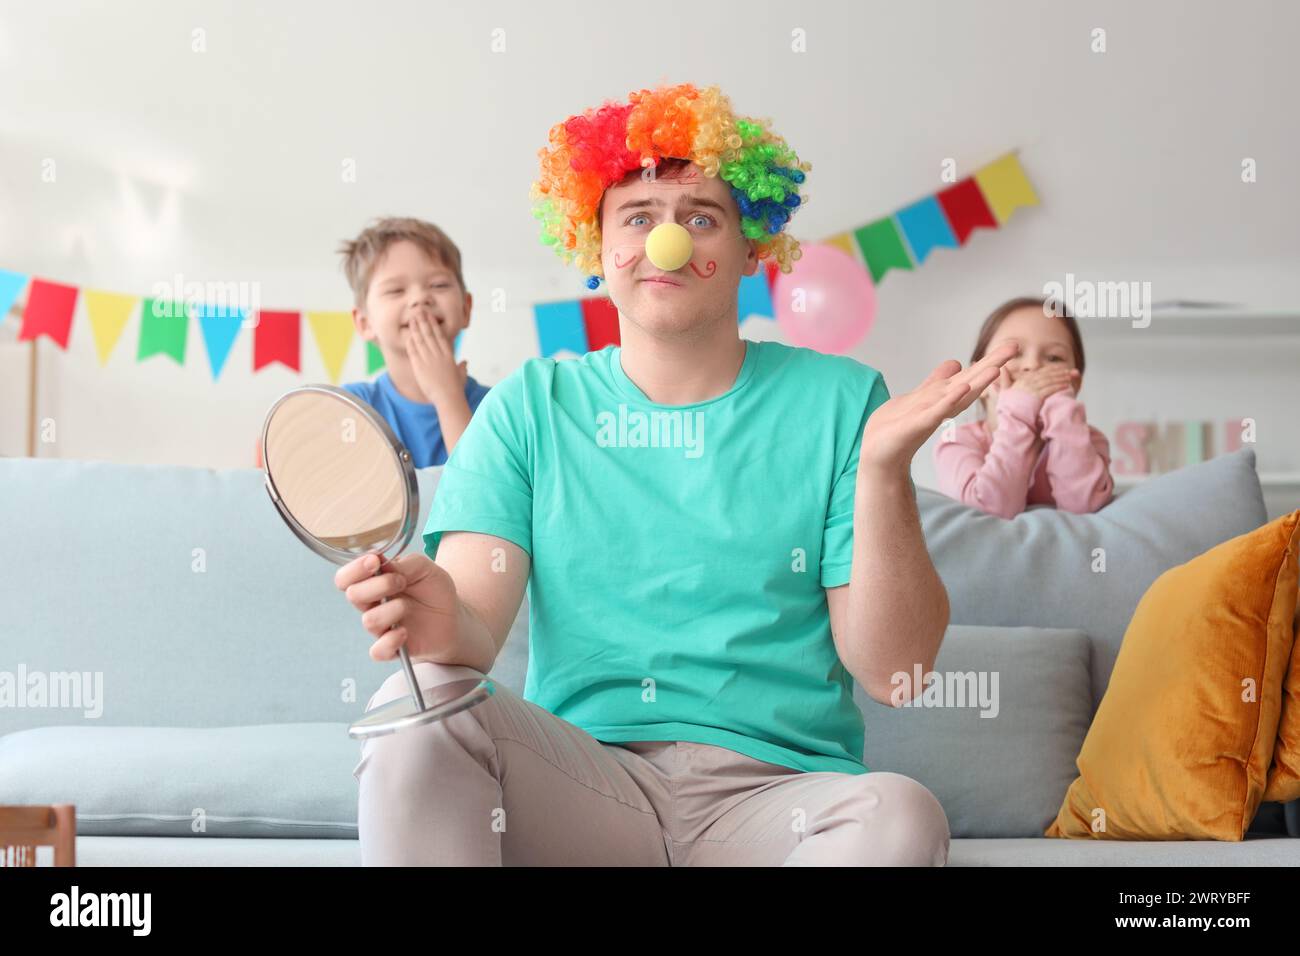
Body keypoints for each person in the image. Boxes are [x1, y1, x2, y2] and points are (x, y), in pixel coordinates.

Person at [335, 82, 1018, 866]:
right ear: (598, 247)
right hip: (585, 791)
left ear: (752, 248)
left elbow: (896, 674)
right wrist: (433, 619)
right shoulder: (529, 407)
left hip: (778, 801)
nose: (669, 242)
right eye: (638, 217)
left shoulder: (842, 401)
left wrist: (882, 472)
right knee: (414, 708)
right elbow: (474, 631)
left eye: (701, 217)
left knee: (901, 813)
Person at [933, 295, 1114, 519]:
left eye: (1054, 358)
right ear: (978, 376)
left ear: (1075, 382)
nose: (1032, 366)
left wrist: (1061, 407)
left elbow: (1084, 508)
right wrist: (1018, 412)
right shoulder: (957, 442)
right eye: (1014, 354)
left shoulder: (1091, 442)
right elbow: (988, 513)